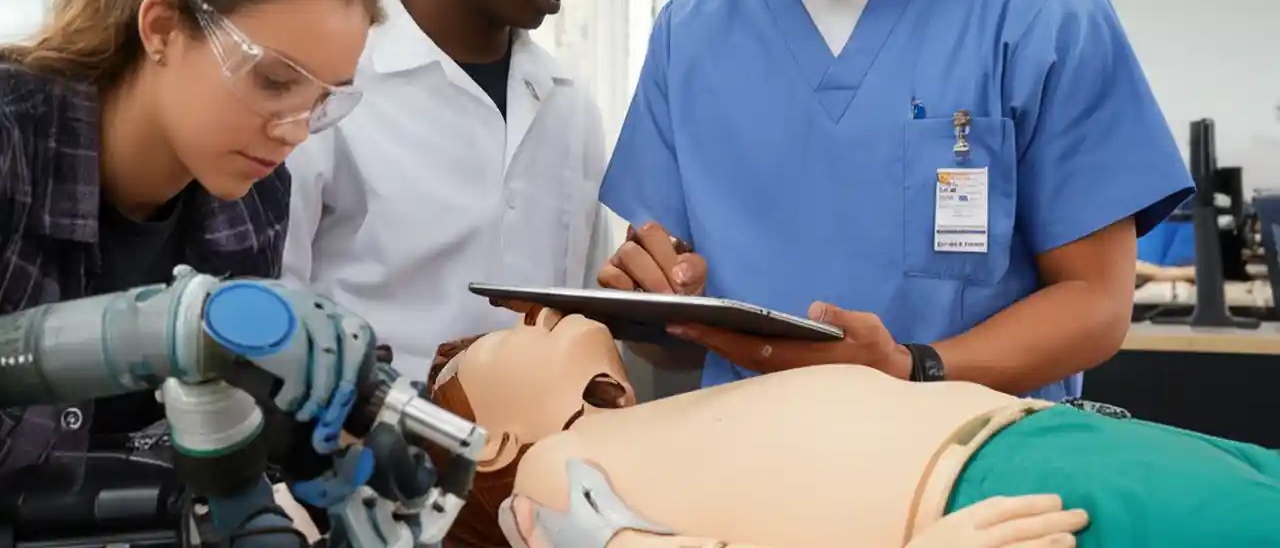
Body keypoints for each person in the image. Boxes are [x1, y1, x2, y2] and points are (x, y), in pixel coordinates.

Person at [595, 0, 1194, 400]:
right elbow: (673, 349)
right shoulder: (689, 37)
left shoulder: (1036, 7)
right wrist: (658, 305)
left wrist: (913, 370)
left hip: (972, 455)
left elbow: (1095, 303)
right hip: (751, 455)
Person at [0, 0, 380, 539]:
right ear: (162, 28)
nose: (294, 130)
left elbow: (222, 446)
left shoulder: (254, 202)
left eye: (322, 101)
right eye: (273, 81)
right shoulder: (12, 145)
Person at [424, 305, 1280, 548]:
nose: (536, 314)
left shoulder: (651, 438)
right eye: (507, 338)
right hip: (1006, 501)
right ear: (492, 444)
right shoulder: (546, 481)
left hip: (1045, 440)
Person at [282, 0, 628, 382]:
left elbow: (584, 319)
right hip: (370, 430)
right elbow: (276, 306)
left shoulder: (569, 106)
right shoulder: (332, 85)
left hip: (546, 431)